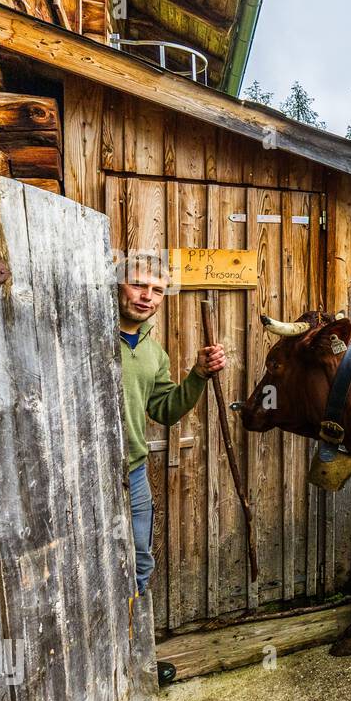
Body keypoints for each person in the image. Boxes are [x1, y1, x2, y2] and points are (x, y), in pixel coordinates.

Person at [117, 257, 225, 605]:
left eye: (157, 290)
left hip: (133, 473)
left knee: (139, 561)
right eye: (138, 285)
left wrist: (198, 374)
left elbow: (165, 409)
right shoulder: (84, 336)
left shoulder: (153, 352)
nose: (147, 296)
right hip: (81, 474)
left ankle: (135, 652)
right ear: (117, 285)